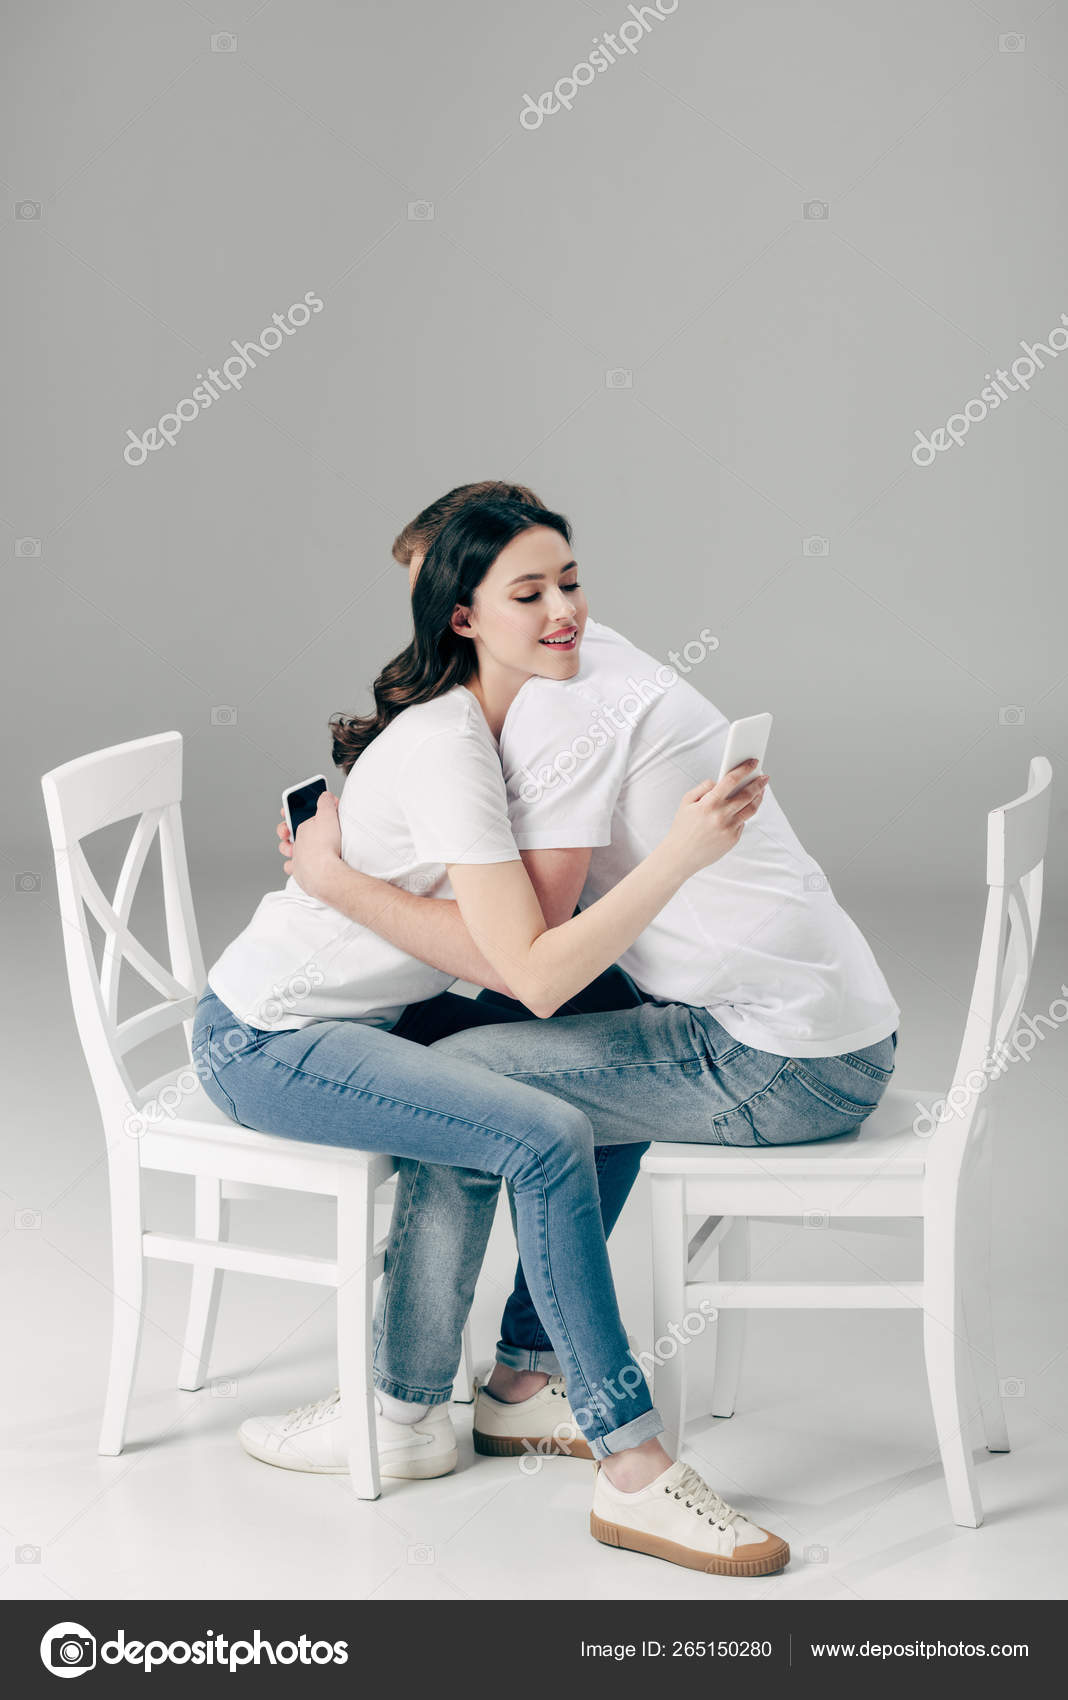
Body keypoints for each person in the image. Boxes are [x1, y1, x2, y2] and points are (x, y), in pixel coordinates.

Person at [255, 479, 900, 1516]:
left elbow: (529, 967)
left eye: (557, 584)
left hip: (780, 1064)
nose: (440, 620)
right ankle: (519, 1375)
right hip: (825, 1028)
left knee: (455, 1080)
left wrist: (342, 881)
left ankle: (403, 1410)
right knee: (559, 1040)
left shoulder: (561, 705)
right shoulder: (573, 658)